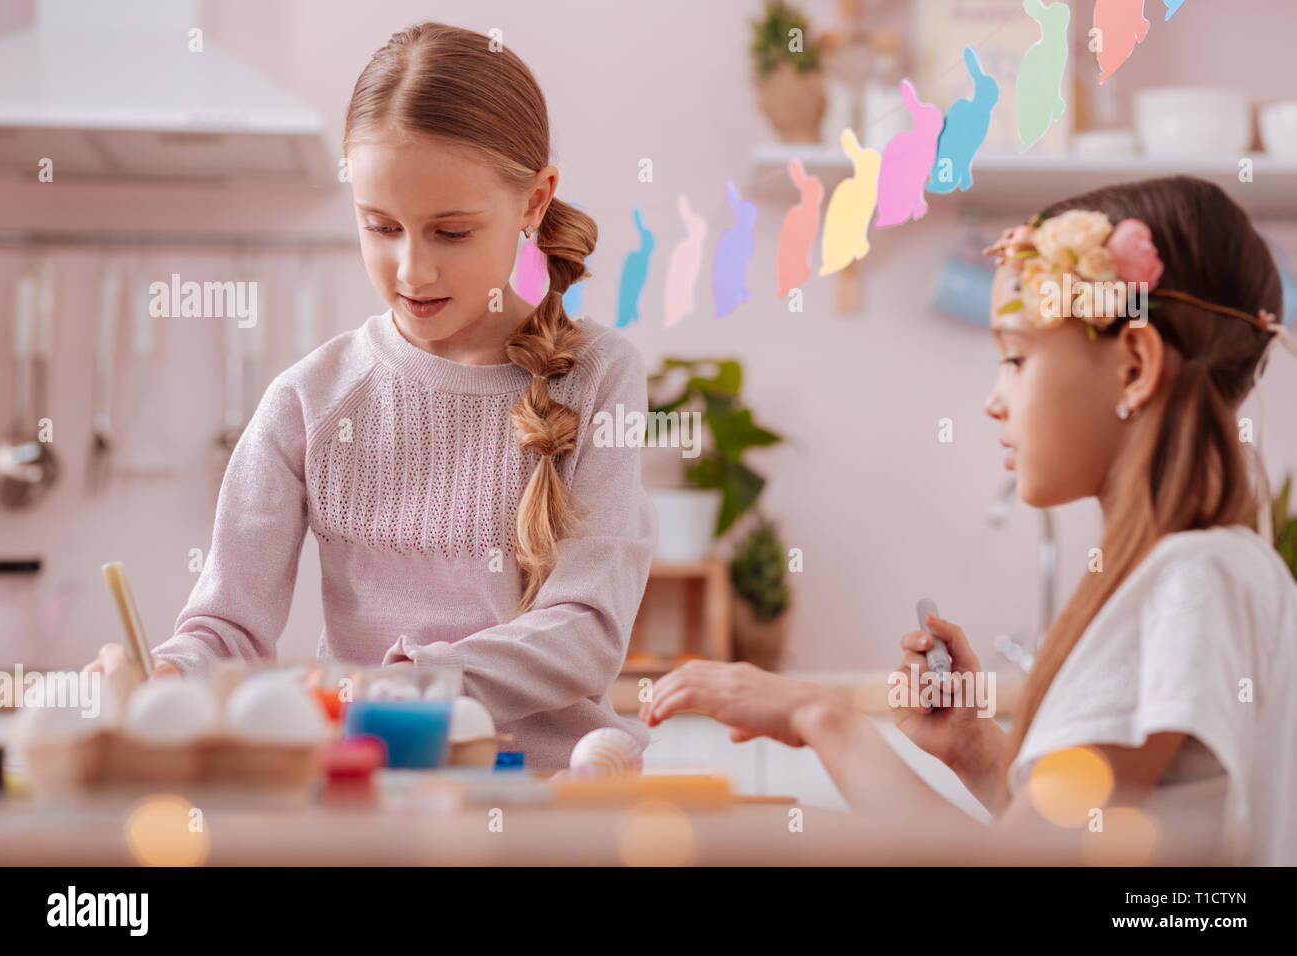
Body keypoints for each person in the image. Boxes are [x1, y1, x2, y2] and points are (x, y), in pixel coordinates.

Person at [642, 176, 1297, 864]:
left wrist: (820, 716)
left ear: (1134, 364)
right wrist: (981, 757)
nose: (993, 400)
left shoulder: (1189, 579)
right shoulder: (1230, 570)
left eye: (1016, 358)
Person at [87, 21, 657, 770]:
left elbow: (583, 628)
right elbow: (227, 627)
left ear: (534, 202)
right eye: (380, 227)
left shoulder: (599, 376)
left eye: (450, 232)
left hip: (551, 801)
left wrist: (414, 688)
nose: (411, 270)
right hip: (367, 801)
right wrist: (162, 679)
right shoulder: (309, 399)